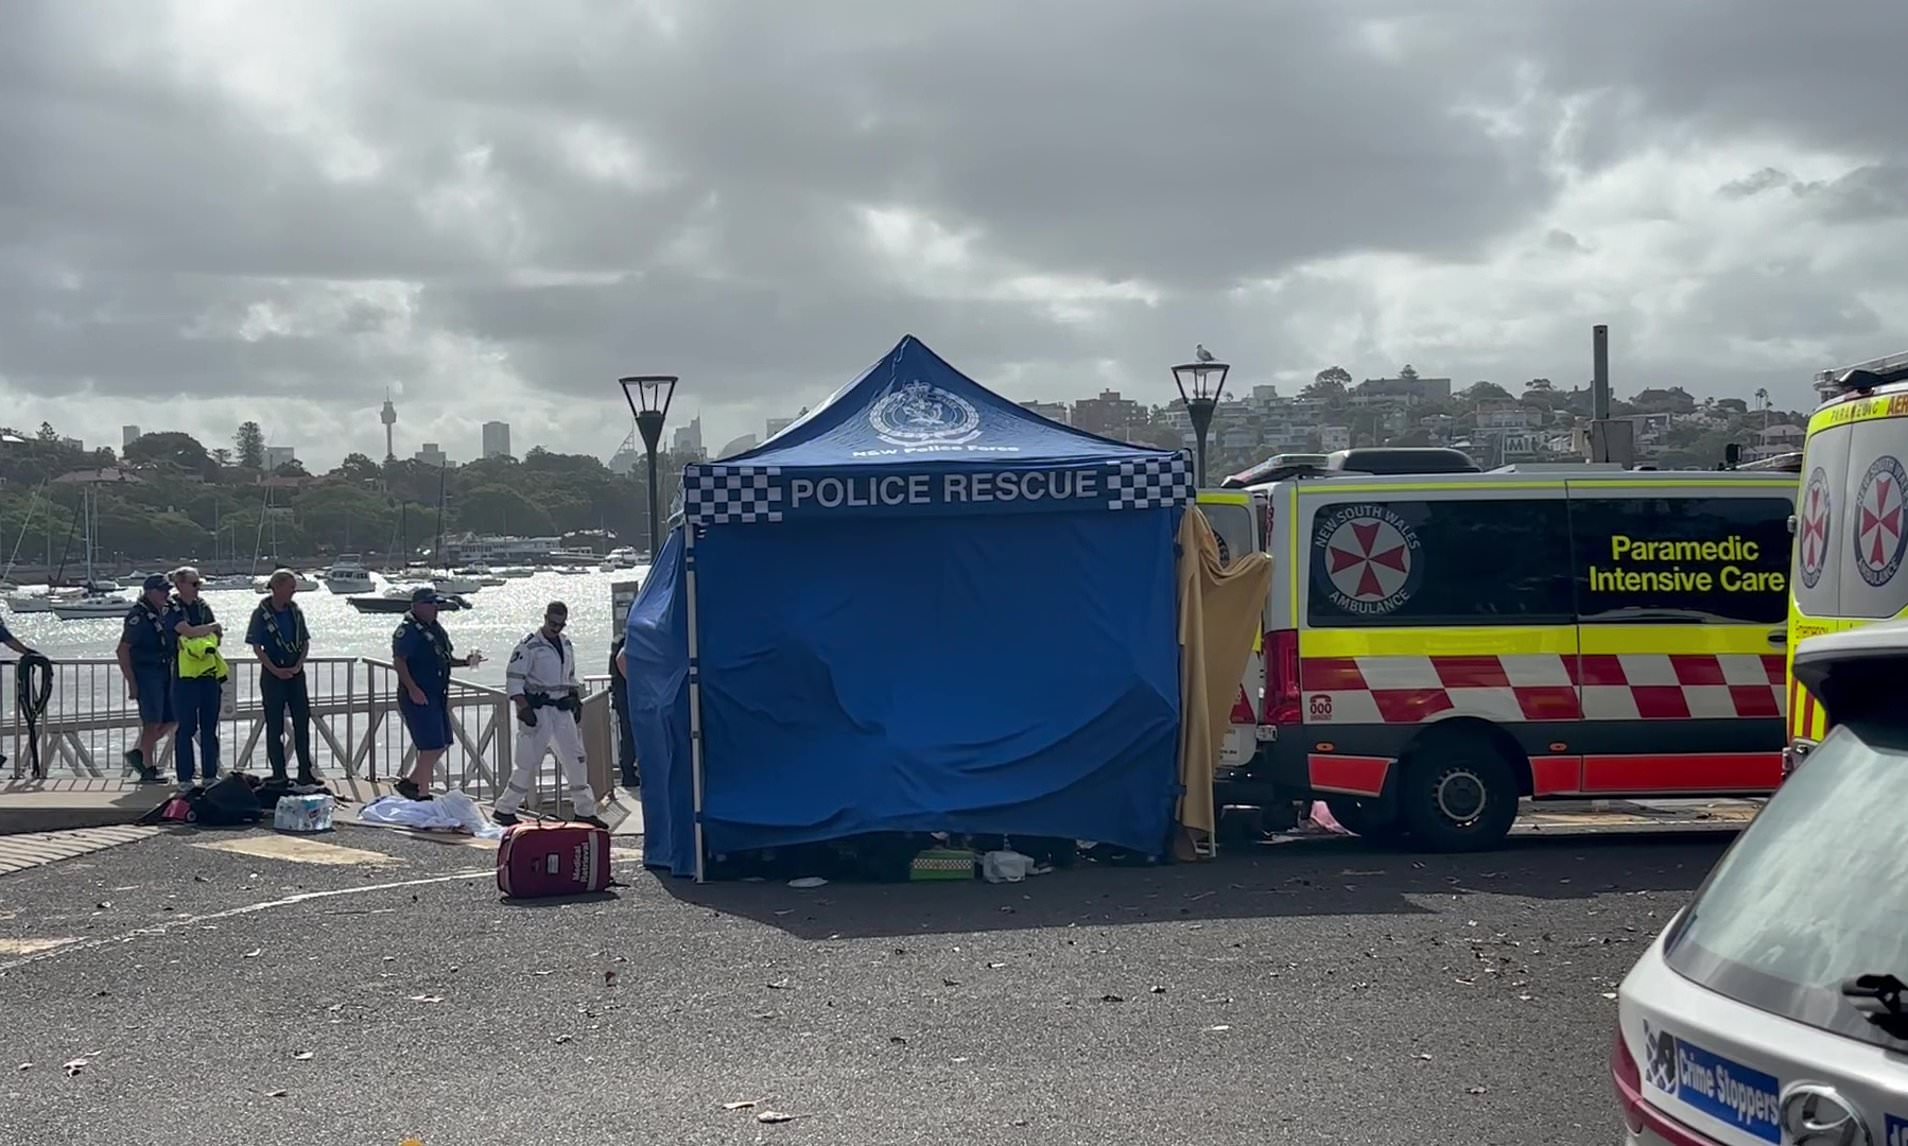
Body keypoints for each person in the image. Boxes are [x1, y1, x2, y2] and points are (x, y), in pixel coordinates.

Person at [493, 601, 607, 828]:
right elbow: (513, 680)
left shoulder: (566, 643)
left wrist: (574, 698)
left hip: (562, 711)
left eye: (561, 624)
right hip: (539, 710)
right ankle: (505, 809)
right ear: (545, 618)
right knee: (527, 761)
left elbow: (570, 676)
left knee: (576, 760)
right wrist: (524, 708)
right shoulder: (529, 646)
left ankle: (584, 811)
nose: (556, 628)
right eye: (553, 623)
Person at [391, 587, 481, 801]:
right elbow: (399, 661)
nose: (435, 609)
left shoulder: (435, 628)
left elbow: (444, 658)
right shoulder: (408, 629)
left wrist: (466, 661)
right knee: (430, 745)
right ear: (417, 605)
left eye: (436, 604)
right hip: (418, 694)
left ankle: (411, 783)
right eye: (430, 604)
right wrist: (413, 689)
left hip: (437, 693)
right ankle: (422, 792)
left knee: (443, 742)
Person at [246, 569, 317, 786]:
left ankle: (305, 771)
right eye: (290, 586)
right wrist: (275, 670)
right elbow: (257, 647)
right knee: (275, 725)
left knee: (302, 722)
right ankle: (279, 773)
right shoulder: (261, 613)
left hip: (296, 673)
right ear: (277, 587)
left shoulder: (295, 612)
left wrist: (298, 665)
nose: (294, 590)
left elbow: (305, 641)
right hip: (272, 675)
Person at [166, 566, 224, 787]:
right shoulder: (172, 606)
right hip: (184, 675)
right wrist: (209, 628)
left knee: (209, 726)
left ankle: (210, 774)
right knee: (187, 727)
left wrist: (208, 631)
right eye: (194, 583)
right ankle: (185, 777)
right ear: (180, 585)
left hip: (208, 673)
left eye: (199, 583)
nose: (198, 588)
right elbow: (185, 630)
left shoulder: (203, 606)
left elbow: (216, 637)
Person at [114, 574, 174, 783]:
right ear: (149, 592)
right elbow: (122, 650)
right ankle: (148, 767)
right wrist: (132, 682)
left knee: (172, 718)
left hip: (165, 671)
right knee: (152, 721)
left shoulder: (161, 613)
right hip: (147, 673)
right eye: (162, 590)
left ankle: (139, 753)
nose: (167, 594)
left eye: (168, 590)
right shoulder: (138, 616)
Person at [609, 634, 638, 789]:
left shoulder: (620, 639)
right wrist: (636, 682)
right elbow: (621, 660)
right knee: (630, 735)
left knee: (628, 735)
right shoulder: (629, 641)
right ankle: (628, 772)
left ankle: (628, 770)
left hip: (621, 693)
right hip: (627, 695)